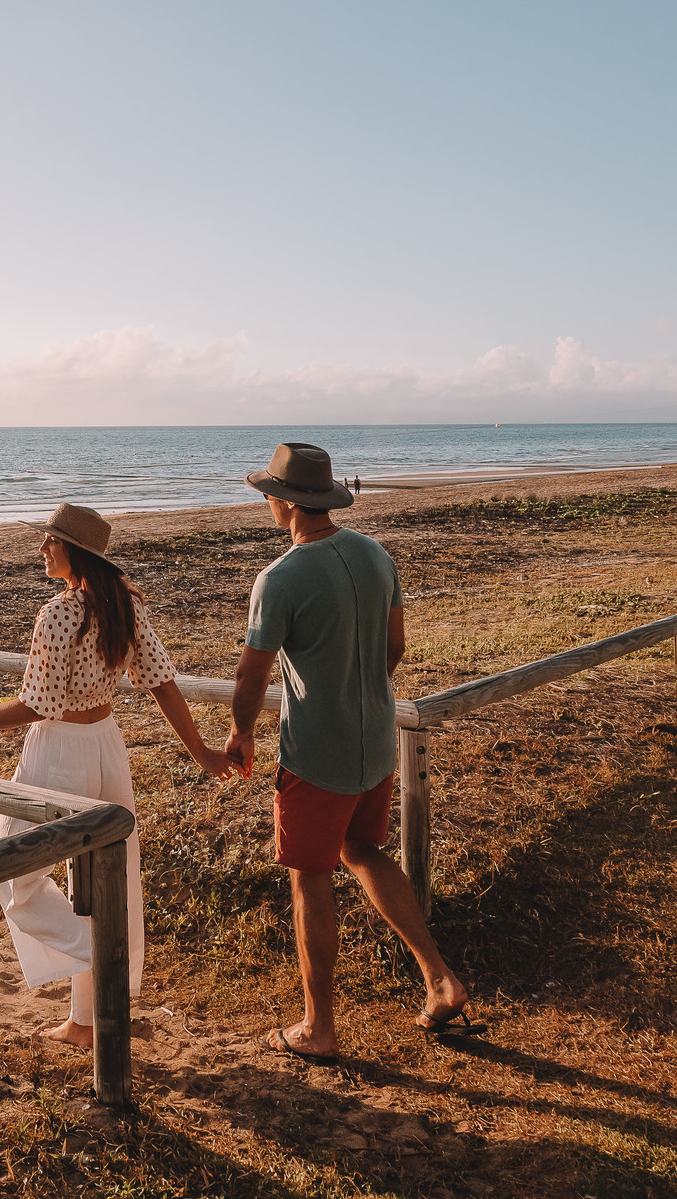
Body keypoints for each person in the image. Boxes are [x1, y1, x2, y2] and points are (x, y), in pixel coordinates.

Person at [0, 501, 233, 1048]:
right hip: (107, 747)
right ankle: (85, 1019)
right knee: (112, 877)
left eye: (50, 540)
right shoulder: (123, 607)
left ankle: (99, 951)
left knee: (9, 867)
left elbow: (36, 705)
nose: (43, 549)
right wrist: (201, 753)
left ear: (75, 551)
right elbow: (162, 683)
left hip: (60, 751)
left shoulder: (59, 613)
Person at [223, 442, 477, 1062]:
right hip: (374, 741)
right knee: (361, 851)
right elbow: (395, 648)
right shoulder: (373, 553)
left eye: (268, 496)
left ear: (285, 503)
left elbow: (252, 678)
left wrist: (240, 733)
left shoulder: (279, 579)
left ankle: (319, 1028)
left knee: (311, 878)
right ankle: (440, 977)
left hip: (316, 752)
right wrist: (361, 688)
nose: (265, 504)